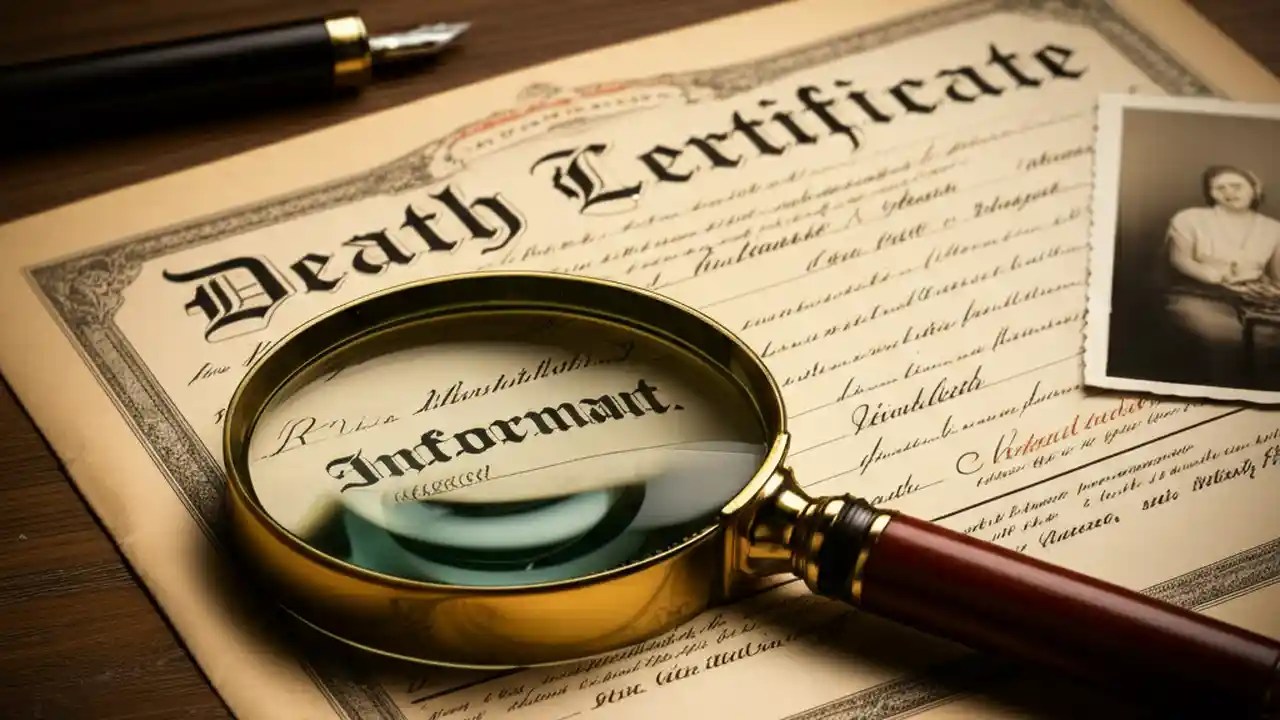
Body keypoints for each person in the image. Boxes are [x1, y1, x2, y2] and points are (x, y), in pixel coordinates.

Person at [1163, 164, 1280, 385]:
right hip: (1199, 295)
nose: (1229, 193)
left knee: (1270, 341)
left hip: (1253, 299)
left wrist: (1269, 292)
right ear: (1210, 193)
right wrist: (1212, 275)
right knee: (1227, 339)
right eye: (1220, 188)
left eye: (1236, 186)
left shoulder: (1274, 228)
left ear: (1255, 188)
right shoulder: (1189, 219)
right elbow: (1179, 260)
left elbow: (1277, 277)